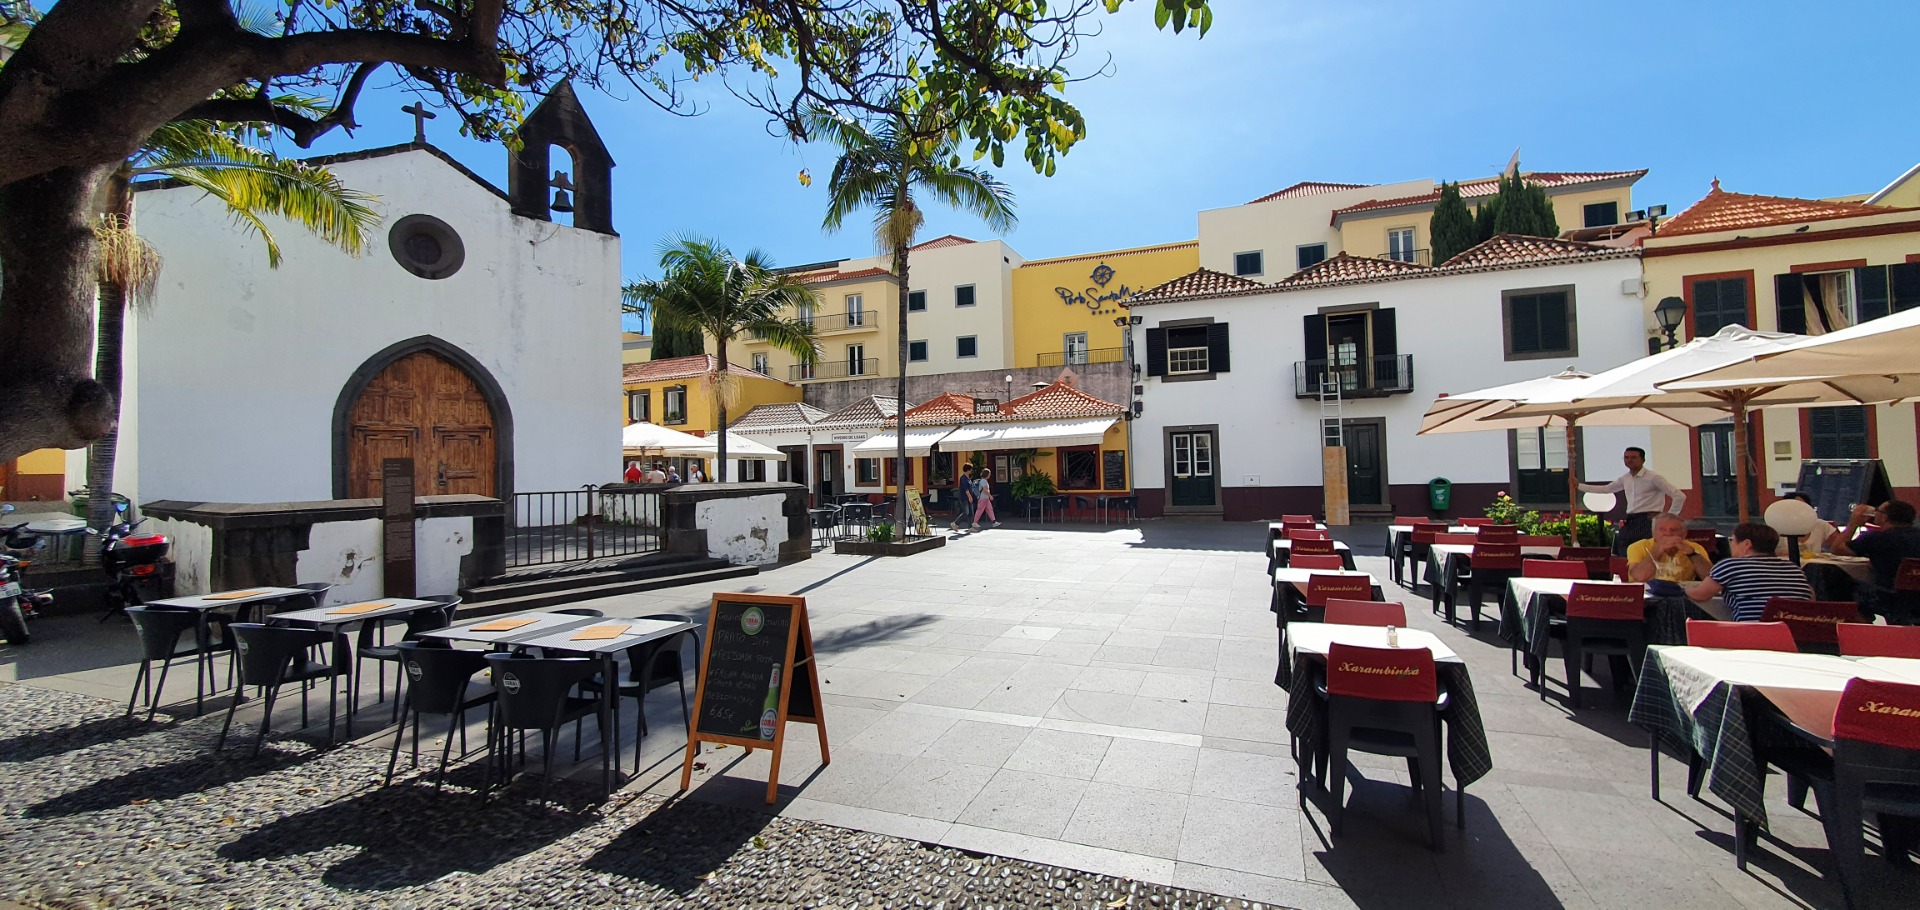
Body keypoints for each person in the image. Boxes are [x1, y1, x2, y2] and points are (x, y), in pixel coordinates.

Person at [1688, 523, 1812, 622]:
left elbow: (1700, 595)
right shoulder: (1793, 568)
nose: (1731, 545)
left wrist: (1680, 589)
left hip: (1753, 631)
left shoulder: (1730, 566)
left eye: (1733, 540)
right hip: (1795, 631)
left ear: (1746, 544)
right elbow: (1810, 598)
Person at [1580, 447, 1686, 556]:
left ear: (1643, 460)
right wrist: (1578, 486)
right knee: (1623, 545)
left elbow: (1679, 496)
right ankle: (1626, 570)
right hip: (1631, 519)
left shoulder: (1653, 478)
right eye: (1626, 457)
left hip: (1648, 519)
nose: (1629, 460)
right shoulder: (1626, 478)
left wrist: (1668, 516)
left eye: (1634, 457)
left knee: (1644, 550)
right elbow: (1606, 489)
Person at [1828, 499, 1920, 623]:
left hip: (1890, 597)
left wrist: (1853, 524)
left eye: (1878, 511)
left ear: (1885, 517)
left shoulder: (1875, 538)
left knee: (1839, 583)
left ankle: (1863, 628)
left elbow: (1837, 549)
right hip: (1916, 597)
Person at [1627, 513, 1713, 588]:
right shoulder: (1638, 547)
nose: (1668, 534)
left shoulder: (1695, 548)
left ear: (1684, 534)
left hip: (1682, 597)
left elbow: (1713, 579)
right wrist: (1657, 550)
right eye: (1662, 529)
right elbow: (1640, 577)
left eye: (1674, 530)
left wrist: (1692, 554)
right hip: (1648, 598)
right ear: (1653, 532)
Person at [950, 464, 976, 532]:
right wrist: (970, 497)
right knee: (966, 512)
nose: (971, 471)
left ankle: (970, 527)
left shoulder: (968, 478)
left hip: (969, 497)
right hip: (964, 498)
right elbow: (965, 489)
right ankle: (955, 523)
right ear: (968, 470)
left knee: (971, 513)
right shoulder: (963, 478)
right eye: (971, 469)